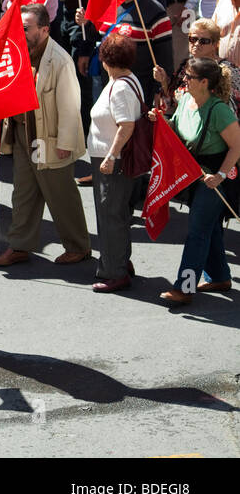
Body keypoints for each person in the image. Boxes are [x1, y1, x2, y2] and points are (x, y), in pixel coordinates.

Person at [0, 4, 90, 269]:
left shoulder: (60, 60)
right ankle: (19, 246)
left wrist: (65, 144)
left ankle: (78, 247)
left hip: (50, 139)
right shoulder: (20, 52)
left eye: (26, 28)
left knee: (61, 196)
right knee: (23, 194)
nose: (20, 33)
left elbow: (70, 106)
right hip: (24, 136)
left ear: (44, 30)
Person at [156, 58, 240, 305]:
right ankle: (220, 277)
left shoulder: (219, 110)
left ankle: (185, 287)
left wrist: (221, 175)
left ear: (204, 83)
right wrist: (160, 121)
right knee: (209, 227)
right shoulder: (185, 102)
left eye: (189, 77)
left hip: (215, 179)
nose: (184, 80)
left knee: (197, 230)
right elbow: (177, 130)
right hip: (195, 176)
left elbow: (237, 146)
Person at [87, 33, 142, 294]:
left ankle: (114, 272)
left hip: (114, 161)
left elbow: (126, 125)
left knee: (110, 217)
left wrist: (110, 156)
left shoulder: (119, 87)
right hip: (117, 160)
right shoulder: (129, 80)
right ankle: (121, 262)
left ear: (105, 60)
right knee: (118, 215)